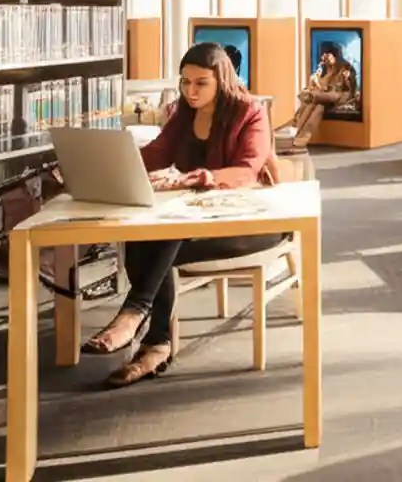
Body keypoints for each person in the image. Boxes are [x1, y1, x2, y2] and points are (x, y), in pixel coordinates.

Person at [80, 42, 286, 388]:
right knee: (149, 230)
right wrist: (108, 167)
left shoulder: (250, 112)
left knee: (161, 234)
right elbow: (155, 153)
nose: (191, 91)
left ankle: (141, 323)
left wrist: (198, 177)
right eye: (185, 82)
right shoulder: (184, 114)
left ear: (221, 79)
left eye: (201, 83)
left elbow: (247, 170)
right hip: (196, 223)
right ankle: (152, 343)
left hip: (249, 224)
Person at [276, 41, 358, 153]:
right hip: (324, 97)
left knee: (314, 98)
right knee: (315, 107)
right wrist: (315, 80)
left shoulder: (346, 67)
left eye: (327, 54)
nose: (324, 57)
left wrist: (348, 78)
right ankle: (298, 139)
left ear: (335, 54)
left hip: (340, 96)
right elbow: (322, 86)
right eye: (323, 55)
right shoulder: (324, 68)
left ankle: (310, 99)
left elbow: (350, 88)